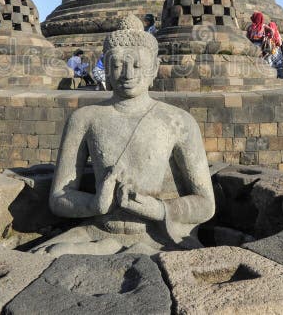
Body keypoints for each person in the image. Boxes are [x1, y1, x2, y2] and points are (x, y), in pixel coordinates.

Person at [35, 15, 214, 256]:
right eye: (118, 65)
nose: (128, 75)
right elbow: (58, 198)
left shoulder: (178, 122)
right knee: (49, 255)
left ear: (154, 69)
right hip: (98, 231)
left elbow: (206, 204)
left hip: (158, 236)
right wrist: (95, 204)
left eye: (138, 65)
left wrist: (160, 210)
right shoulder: (85, 119)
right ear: (106, 68)